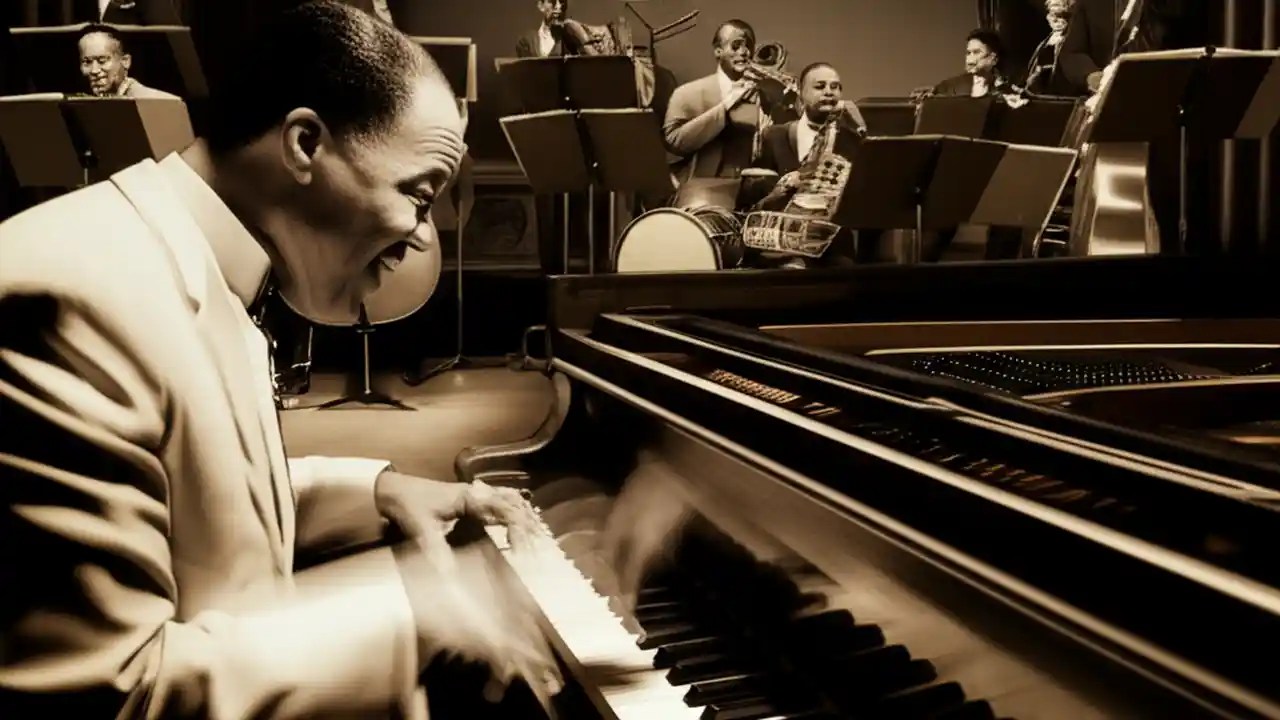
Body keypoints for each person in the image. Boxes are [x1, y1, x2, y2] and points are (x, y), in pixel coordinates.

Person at [0, 3, 559, 718]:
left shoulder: (192, 256)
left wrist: (380, 491)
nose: (422, 238)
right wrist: (413, 613)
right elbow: (112, 689)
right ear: (304, 145)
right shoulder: (72, 295)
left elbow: (191, 491)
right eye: (419, 196)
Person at [664, 19, 769, 184]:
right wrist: (726, 105)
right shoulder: (687, 93)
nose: (744, 52)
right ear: (718, 51)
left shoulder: (765, 95)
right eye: (736, 46)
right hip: (704, 190)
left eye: (749, 46)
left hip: (755, 188)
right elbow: (673, 143)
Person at [77, 23, 180, 99]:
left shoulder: (157, 102)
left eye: (102, 61)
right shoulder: (81, 105)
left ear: (125, 61)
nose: (94, 70)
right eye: (87, 62)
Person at [932, 29, 1016, 98]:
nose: (970, 58)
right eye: (968, 53)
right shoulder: (948, 87)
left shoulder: (1006, 89)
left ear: (993, 58)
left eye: (976, 52)